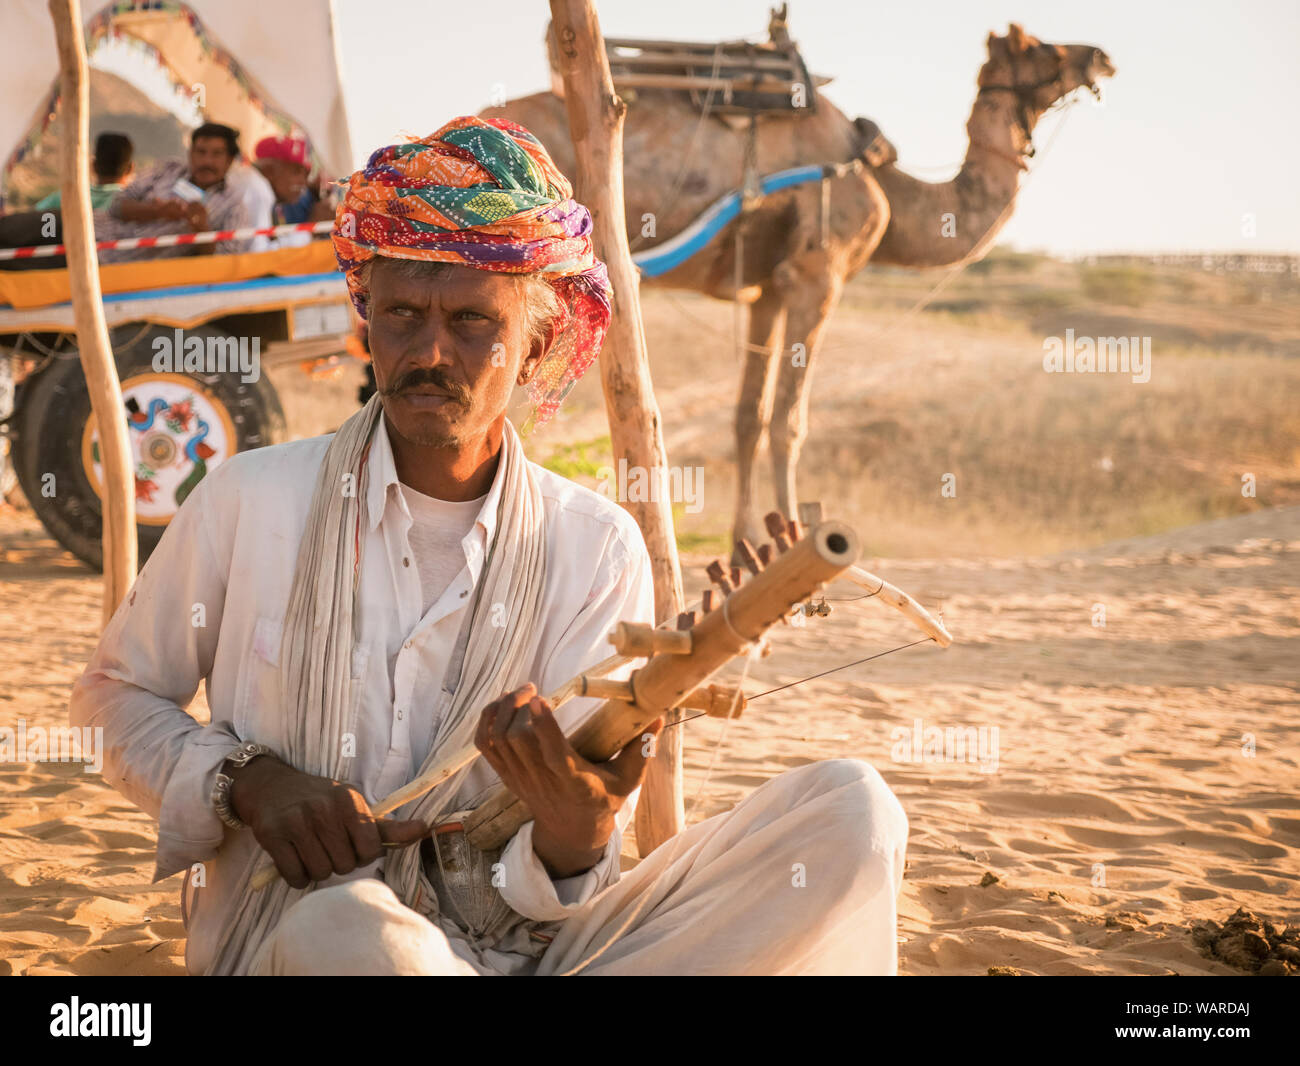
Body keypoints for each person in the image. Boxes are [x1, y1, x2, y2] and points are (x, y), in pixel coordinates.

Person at [69, 116, 908, 976]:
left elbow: (574, 859)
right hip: (306, 941)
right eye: (401, 314)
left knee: (854, 811)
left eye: (472, 321)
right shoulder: (252, 500)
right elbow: (111, 699)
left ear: (539, 344)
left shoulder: (596, 547)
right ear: (368, 326)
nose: (429, 350)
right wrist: (243, 778)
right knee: (359, 930)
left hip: (534, 952)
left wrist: (578, 835)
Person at [99, 122, 250, 263]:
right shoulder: (167, 169)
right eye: (201, 152)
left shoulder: (234, 207)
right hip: (94, 242)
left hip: (129, 275)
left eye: (216, 154)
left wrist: (201, 229)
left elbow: (225, 262)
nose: (207, 161)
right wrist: (155, 211)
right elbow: (116, 205)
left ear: (229, 160)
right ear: (190, 153)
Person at [240, 135, 316, 252]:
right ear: (269, 170)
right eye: (296, 172)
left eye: (305, 174)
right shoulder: (258, 191)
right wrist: (311, 231)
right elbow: (259, 256)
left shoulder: (256, 184)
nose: (303, 182)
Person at [34, 131, 133, 212]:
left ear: (93, 165)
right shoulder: (133, 204)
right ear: (130, 169)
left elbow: (33, 217)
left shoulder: (63, 197)